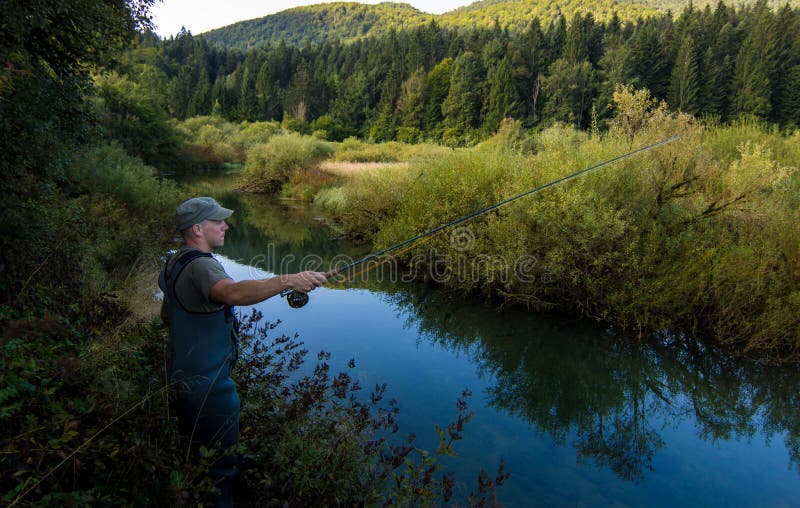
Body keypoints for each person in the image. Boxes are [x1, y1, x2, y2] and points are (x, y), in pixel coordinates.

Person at [158, 196, 327, 507]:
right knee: (221, 471)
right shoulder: (202, 266)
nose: (225, 225)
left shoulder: (174, 262)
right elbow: (232, 292)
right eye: (217, 221)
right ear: (197, 228)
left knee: (196, 456)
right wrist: (290, 279)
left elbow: (167, 316)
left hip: (181, 376)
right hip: (210, 388)